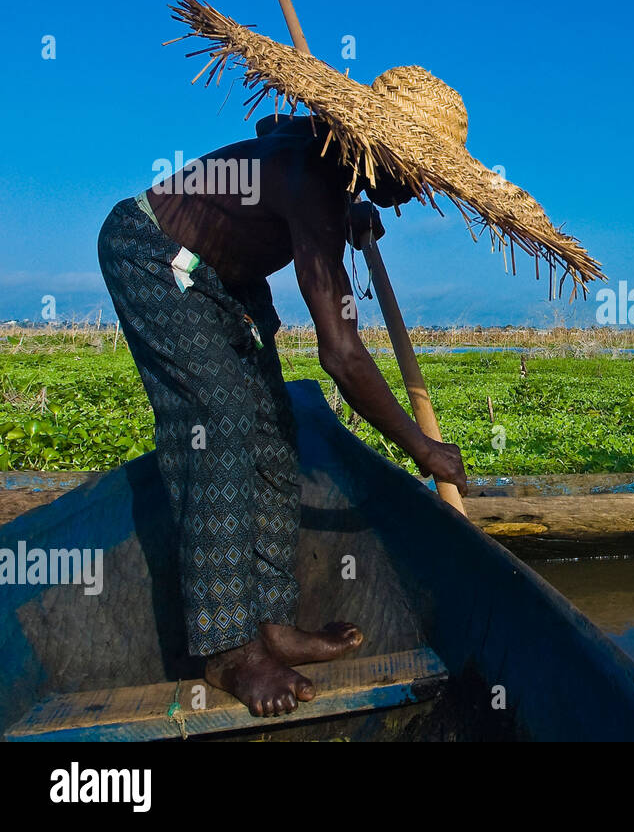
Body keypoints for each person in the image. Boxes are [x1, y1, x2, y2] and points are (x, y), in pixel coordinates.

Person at [97, 114, 468, 717]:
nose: (418, 191)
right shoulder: (313, 183)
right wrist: (418, 447)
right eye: (415, 173)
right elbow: (341, 354)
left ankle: (269, 624)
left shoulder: (317, 151)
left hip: (225, 274)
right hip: (154, 253)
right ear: (380, 153)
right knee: (218, 423)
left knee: (272, 428)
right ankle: (228, 651)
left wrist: (346, 213)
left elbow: (272, 127)